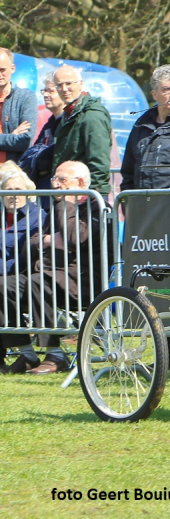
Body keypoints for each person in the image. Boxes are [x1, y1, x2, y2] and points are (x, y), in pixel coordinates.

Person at [2, 161, 104, 374]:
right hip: (48, 273)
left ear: (81, 182)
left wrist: (66, 205)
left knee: (38, 282)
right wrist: (48, 239)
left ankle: (55, 354)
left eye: (62, 180)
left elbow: (75, 237)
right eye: (54, 179)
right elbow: (30, 243)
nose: (56, 185)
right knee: (2, 284)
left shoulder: (96, 206)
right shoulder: (56, 208)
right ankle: (26, 352)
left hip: (79, 278)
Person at [120, 65, 170, 190]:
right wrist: (128, 203)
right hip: (143, 204)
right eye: (167, 89)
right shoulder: (141, 124)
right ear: (154, 94)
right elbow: (128, 170)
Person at [0, 168, 48, 374]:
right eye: (7, 190)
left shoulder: (39, 217)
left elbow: (28, 256)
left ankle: (27, 352)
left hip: (26, 275)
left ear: (28, 193)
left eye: (18, 189)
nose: (13, 195)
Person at [50, 65, 113, 195]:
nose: (64, 89)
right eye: (59, 85)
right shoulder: (69, 114)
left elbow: (99, 163)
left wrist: (93, 197)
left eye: (68, 83)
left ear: (81, 84)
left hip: (86, 197)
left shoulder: (92, 116)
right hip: (69, 192)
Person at [18, 74, 64, 189]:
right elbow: (33, 152)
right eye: (44, 91)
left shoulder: (67, 123)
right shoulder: (49, 124)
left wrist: (39, 160)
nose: (46, 95)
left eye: (50, 91)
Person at [0, 47, 38, 164]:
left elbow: (25, 141)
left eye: (2, 70)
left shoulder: (26, 98)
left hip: (13, 175)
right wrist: (12, 136)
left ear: (12, 69)